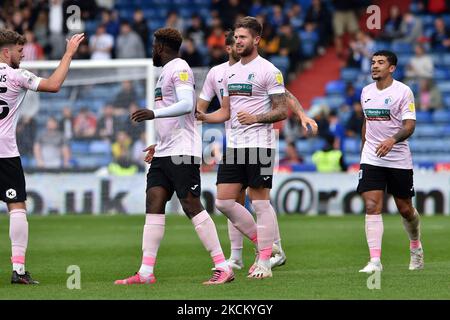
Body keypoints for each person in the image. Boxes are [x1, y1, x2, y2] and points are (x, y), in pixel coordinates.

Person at [114, 28, 234, 285]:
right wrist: (159, 143)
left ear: (160, 47)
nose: (153, 51)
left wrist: (153, 114)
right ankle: (146, 272)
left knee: (191, 204)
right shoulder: (164, 73)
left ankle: (222, 267)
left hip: (183, 152)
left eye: (154, 46)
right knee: (153, 203)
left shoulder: (180, 67)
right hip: (167, 150)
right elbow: (177, 117)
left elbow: (186, 105)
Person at [195, 16, 292, 279]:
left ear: (256, 40)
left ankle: (263, 262)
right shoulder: (229, 72)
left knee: (260, 204)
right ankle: (268, 246)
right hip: (235, 146)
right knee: (224, 202)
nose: (238, 41)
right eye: (236, 37)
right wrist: (204, 116)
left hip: (260, 145)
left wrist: (257, 118)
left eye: (243, 37)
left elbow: (282, 109)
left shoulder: (269, 70)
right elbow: (226, 111)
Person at [0, 29, 84, 284]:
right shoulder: (17, 76)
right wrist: (68, 53)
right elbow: (54, 85)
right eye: (19, 50)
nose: (22, 55)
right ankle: (19, 270)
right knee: (16, 207)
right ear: (6, 52)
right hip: (5, 153)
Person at [357, 50, 424, 273]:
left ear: (392, 68)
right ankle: (375, 261)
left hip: (398, 158)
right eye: (373, 62)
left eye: (380, 63)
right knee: (371, 205)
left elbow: (409, 126)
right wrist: (363, 152)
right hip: (372, 157)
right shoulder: (366, 91)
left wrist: (392, 140)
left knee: (405, 209)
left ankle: (415, 246)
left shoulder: (403, 92)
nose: (374, 66)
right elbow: (366, 123)